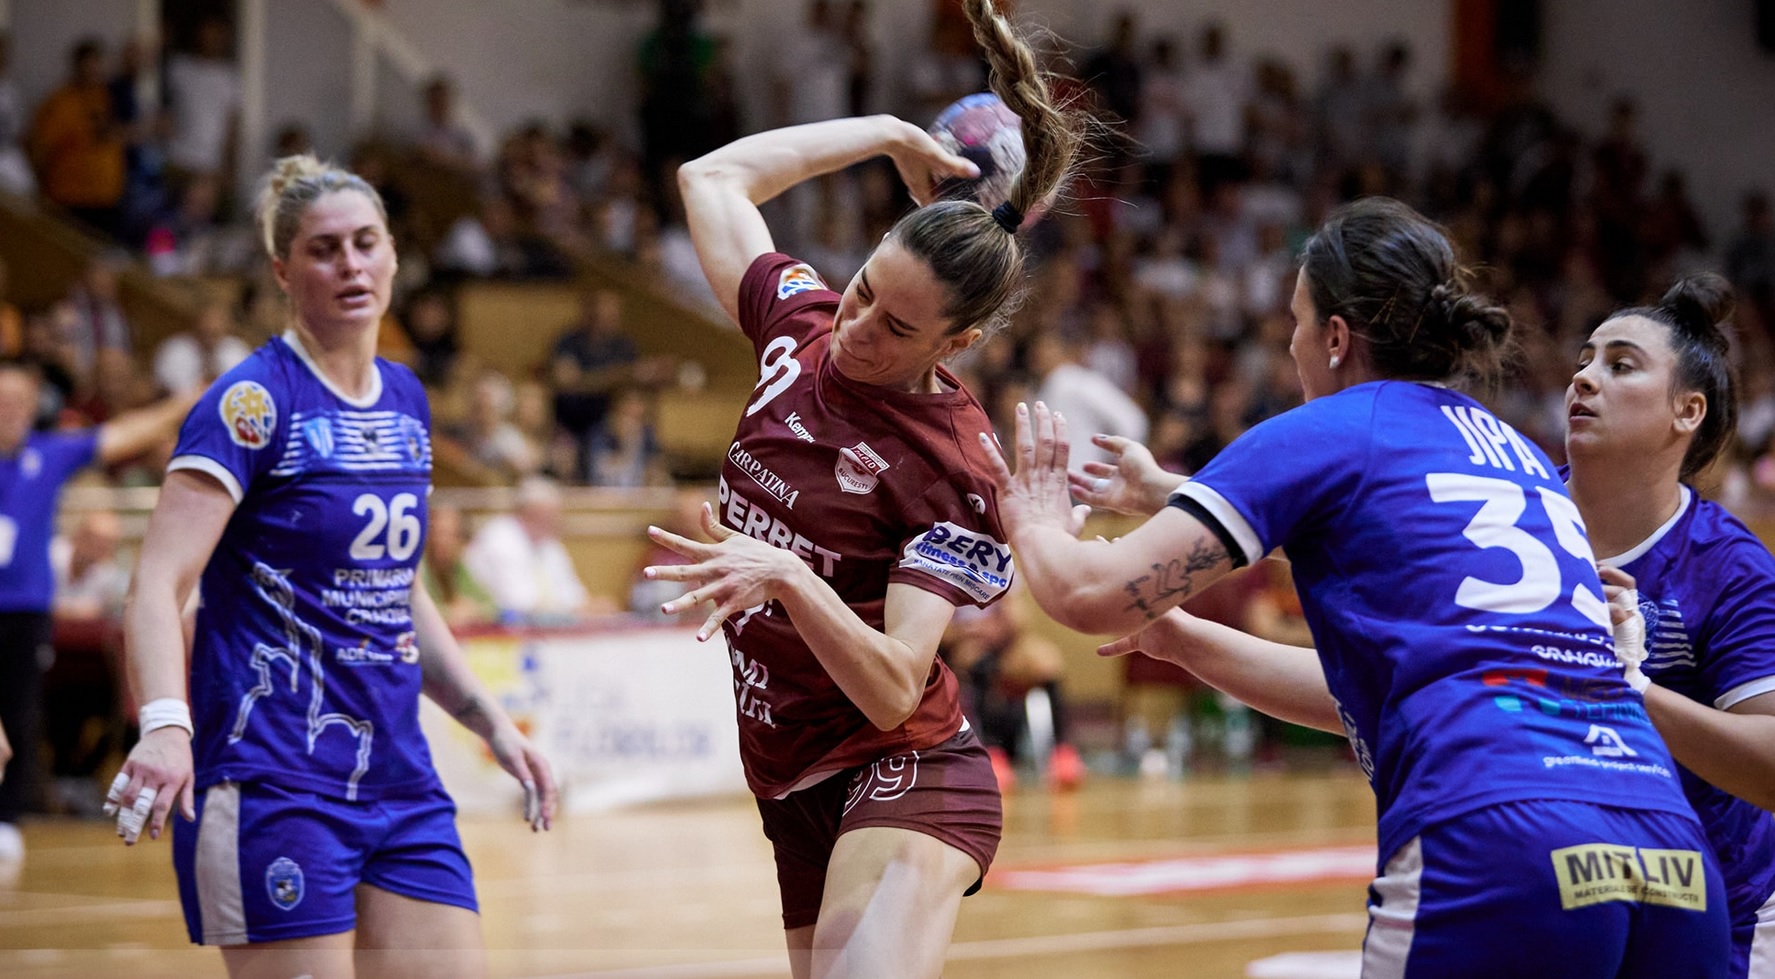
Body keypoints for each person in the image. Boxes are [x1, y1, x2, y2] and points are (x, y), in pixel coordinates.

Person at [990, 197, 1729, 977]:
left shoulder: (1328, 427)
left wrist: (1034, 520)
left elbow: (1087, 592)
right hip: (1666, 846)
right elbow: (1392, 672)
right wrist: (1181, 634)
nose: (1290, 345)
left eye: (1296, 323)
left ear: (1335, 338)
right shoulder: (1514, 451)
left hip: (1496, 835)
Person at [644, 1, 1084, 974]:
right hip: (786, 771)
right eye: (862, 291)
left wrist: (789, 578)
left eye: (894, 325)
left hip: (904, 763)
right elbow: (709, 176)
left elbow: (893, 687)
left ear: (954, 344)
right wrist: (884, 133)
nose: (855, 327)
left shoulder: (951, 463)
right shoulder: (795, 329)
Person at [112, 155, 556, 978]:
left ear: (393, 255)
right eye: (324, 250)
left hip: (400, 777)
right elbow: (157, 583)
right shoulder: (250, 402)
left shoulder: (406, 397)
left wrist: (486, 717)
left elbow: (401, 590)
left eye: (365, 243)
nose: (350, 265)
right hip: (274, 777)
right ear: (283, 271)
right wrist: (166, 725)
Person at [1569, 275, 1775, 977]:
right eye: (1585, 359)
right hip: (1563, 885)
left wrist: (1628, 686)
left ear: (1686, 411)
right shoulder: (1514, 515)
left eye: (1618, 364)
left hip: (1717, 907)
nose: (1584, 378)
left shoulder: (1728, 565)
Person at [0, 359, 192, 863]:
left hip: (25, 611)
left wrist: (186, 401)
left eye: (21, 401)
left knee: (20, 714)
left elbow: (126, 434)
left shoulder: (49, 454)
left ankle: (6, 819)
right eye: (3, 401)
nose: (11, 411)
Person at [462, 475, 592, 622]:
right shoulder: (499, 538)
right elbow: (520, 603)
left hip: (545, 625)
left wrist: (587, 606)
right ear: (528, 512)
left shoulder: (549, 544)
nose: (556, 520)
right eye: (549, 514)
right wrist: (571, 610)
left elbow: (573, 594)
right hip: (499, 628)